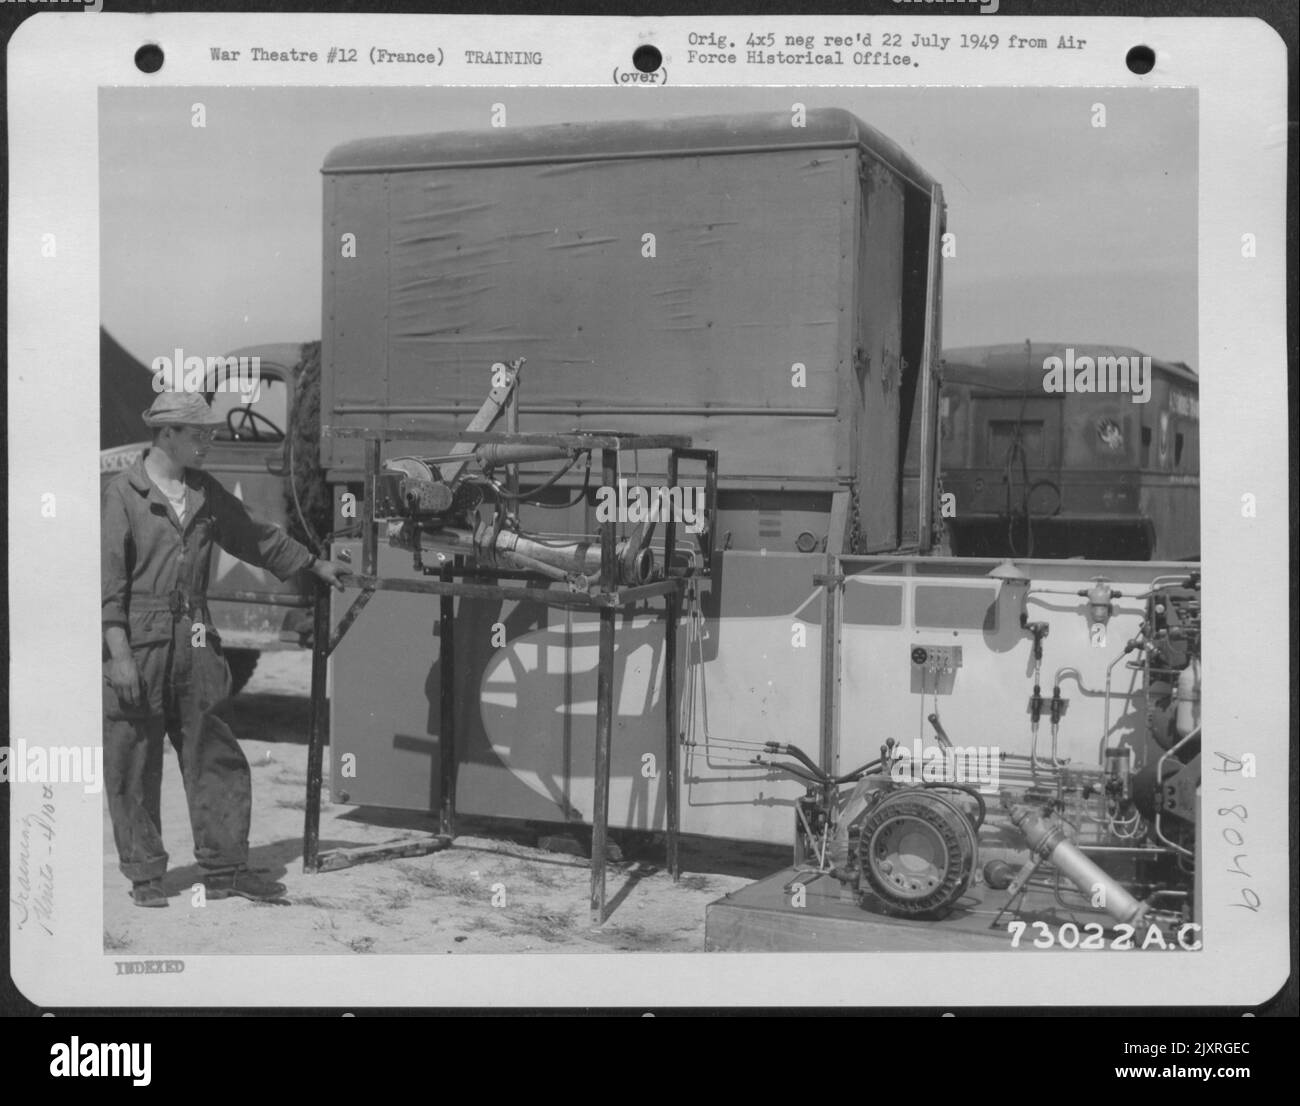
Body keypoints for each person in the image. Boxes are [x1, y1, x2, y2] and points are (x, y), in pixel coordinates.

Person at [102, 390, 348, 906]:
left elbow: (255, 537)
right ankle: (146, 874)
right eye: (200, 433)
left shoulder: (204, 492)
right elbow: (109, 586)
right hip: (139, 644)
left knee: (214, 753)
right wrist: (118, 655)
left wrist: (314, 565)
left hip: (196, 637)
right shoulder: (123, 494)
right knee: (133, 758)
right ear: (167, 433)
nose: (209, 440)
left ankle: (226, 868)